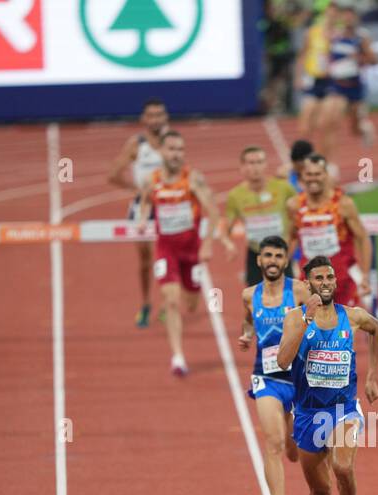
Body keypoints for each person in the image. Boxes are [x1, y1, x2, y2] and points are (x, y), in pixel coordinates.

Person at [275, 255, 378, 495]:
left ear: (336, 282)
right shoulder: (296, 319)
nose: (326, 283)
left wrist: (371, 377)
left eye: (330, 277)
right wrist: (306, 320)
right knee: (319, 492)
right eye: (319, 278)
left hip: (343, 409)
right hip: (307, 414)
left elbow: (376, 328)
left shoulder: (351, 317)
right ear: (308, 284)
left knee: (343, 467)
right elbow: (282, 360)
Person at [136, 130, 233, 376]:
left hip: (191, 252)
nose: (176, 154)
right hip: (165, 249)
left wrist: (208, 244)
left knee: (191, 304)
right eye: (171, 149)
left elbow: (213, 213)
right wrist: (141, 218)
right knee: (170, 300)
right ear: (162, 152)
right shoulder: (152, 179)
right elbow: (145, 200)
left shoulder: (193, 179)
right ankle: (178, 357)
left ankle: (187, 294)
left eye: (180, 149)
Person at [239, 236, 310, 495]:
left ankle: (294, 438)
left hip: (297, 379)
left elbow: (319, 318)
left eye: (278, 256)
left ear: (285, 260)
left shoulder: (298, 290)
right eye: (267, 255)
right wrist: (245, 335)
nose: (272, 261)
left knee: (294, 451)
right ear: (259, 260)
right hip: (265, 378)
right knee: (274, 444)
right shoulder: (248, 295)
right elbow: (248, 321)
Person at [106, 98, 169, 327]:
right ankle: (145, 304)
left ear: (165, 117)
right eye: (151, 115)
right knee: (145, 260)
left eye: (159, 114)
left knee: (168, 256)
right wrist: (138, 190)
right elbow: (112, 175)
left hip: (168, 205)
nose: (155, 119)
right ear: (144, 119)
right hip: (142, 207)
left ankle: (166, 305)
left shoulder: (172, 142)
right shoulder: (136, 144)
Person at [286, 154, 371, 312]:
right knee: (309, 333)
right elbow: (289, 238)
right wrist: (281, 266)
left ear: (326, 175)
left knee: (342, 333)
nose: (313, 179)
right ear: (302, 177)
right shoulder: (295, 205)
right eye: (308, 174)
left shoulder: (343, 204)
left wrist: (365, 276)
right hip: (308, 285)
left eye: (317, 174)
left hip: (340, 282)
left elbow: (363, 237)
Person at [224, 146, 298, 289]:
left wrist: (291, 248)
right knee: (254, 303)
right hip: (255, 254)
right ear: (243, 167)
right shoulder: (235, 195)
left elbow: (299, 215)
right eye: (251, 163)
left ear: (265, 164)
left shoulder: (283, 188)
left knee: (290, 302)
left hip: (282, 252)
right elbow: (226, 228)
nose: (255, 167)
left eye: (259, 162)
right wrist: (228, 243)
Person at [321, 0, 378, 169]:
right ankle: (331, 164)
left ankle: (365, 128)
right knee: (330, 120)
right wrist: (329, 66)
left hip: (355, 86)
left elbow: (374, 59)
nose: (347, 18)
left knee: (355, 128)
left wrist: (359, 58)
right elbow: (329, 56)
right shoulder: (335, 35)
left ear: (355, 17)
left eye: (350, 15)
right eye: (344, 15)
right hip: (337, 85)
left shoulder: (362, 37)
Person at [296, 5, 335, 143]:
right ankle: (304, 153)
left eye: (334, 15)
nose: (331, 17)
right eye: (328, 14)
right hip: (313, 79)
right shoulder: (312, 33)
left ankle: (321, 157)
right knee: (306, 121)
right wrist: (298, 77)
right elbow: (302, 55)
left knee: (324, 123)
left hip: (331, 81)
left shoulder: (339, 35)